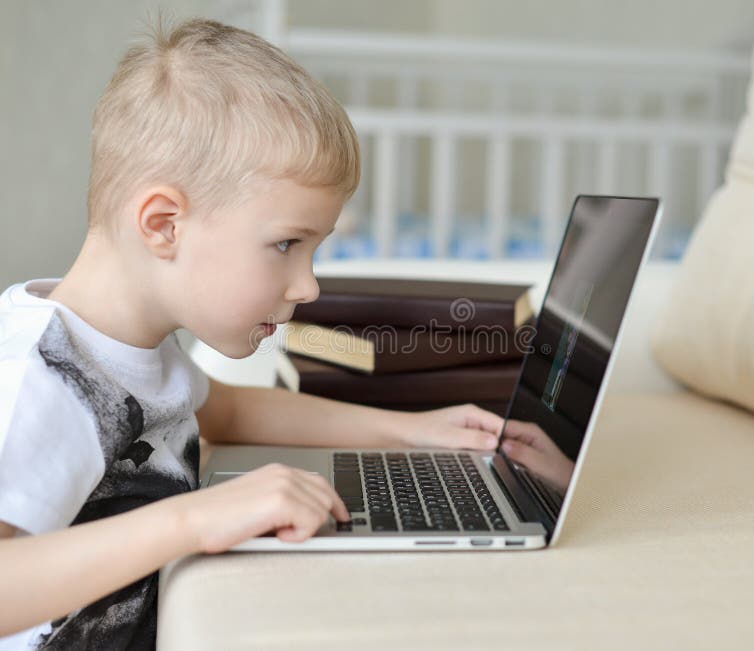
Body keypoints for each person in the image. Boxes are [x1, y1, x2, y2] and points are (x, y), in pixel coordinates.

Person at [0, 17, 503, 649]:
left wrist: (410, 430)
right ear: (164, 226)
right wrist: (196, 519)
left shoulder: (139, 343)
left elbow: (231, 410)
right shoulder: (38, 380)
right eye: (286, 244)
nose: (309, 286)